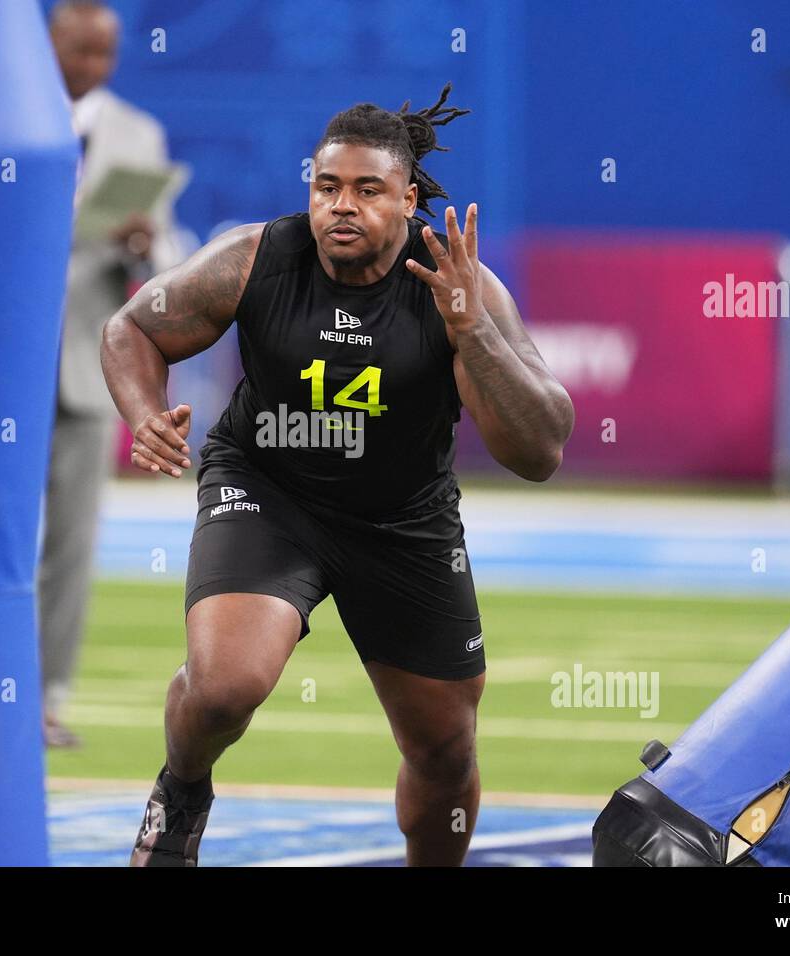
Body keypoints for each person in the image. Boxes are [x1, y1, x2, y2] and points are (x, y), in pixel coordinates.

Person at [100, 83, 574, 865]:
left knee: (446, 752)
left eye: (367, 190)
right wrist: (145, 412)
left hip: (402, 518)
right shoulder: (255, 256)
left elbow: (540, 451)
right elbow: (132, 329)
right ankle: (182, 789)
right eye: (327, 188)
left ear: (409, 199)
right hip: (267, 490)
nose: (341, 207)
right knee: (223, 686)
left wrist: (471, 334)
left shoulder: (461, 288)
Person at [40, 0, 183, 747]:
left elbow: (165, 265)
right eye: (80, 50)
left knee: (72, 543)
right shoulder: (6, 117)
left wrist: (140, 244)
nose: (92, 66)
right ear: (50, 41)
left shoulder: (137, 134)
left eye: (104, 54)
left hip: (85, 365)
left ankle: (44, 698)